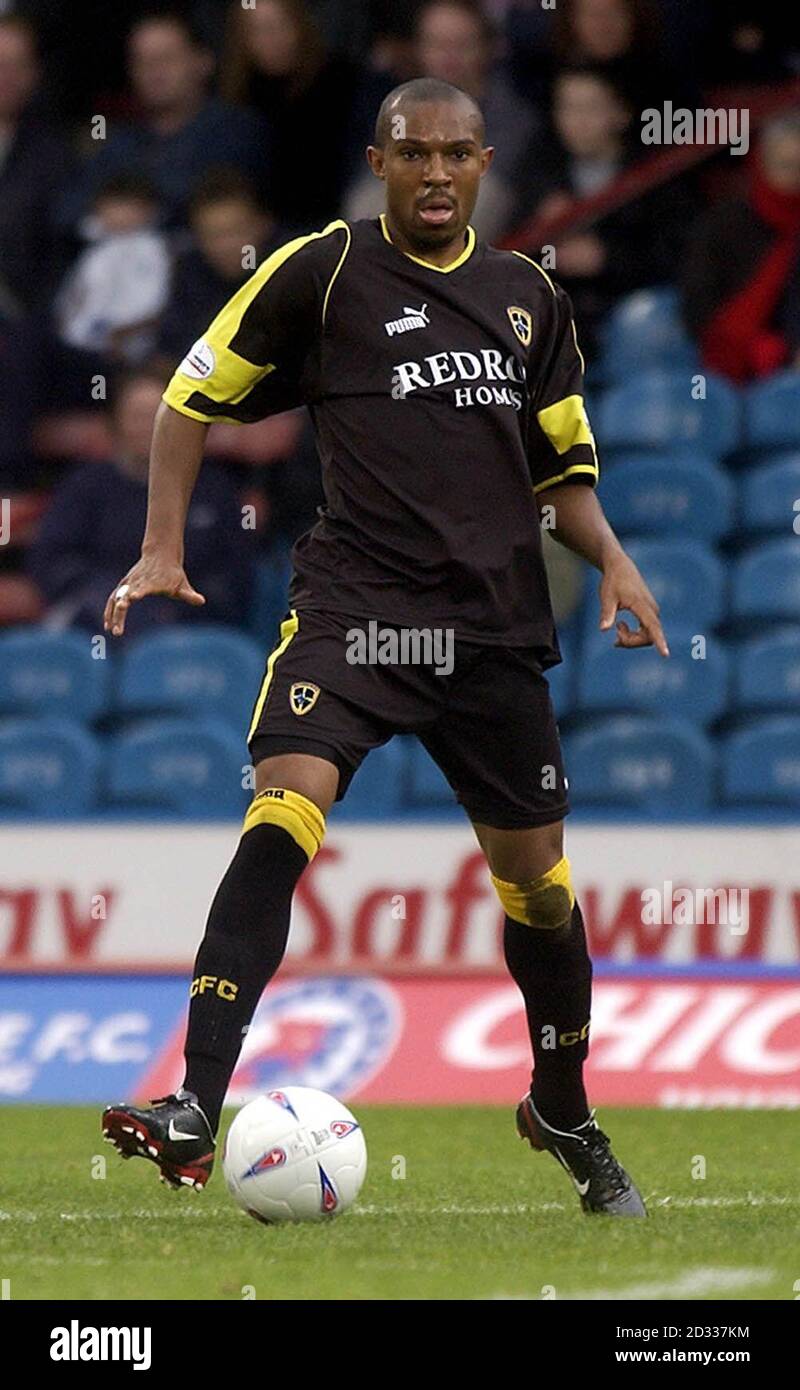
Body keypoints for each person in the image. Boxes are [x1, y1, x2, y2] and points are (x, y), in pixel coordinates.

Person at [100, 78, 668, 1217]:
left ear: (484, 162)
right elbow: (189, 399)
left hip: (494, 632)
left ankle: (559, 1100)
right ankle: (195, 1104)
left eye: (459, 155)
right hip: (355, 613)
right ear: (381, 160)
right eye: (416, 155)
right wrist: (160, 546)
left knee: (538, 890)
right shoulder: (324, 270)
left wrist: (611, 557)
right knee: (280, 811)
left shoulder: (526, 299)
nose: (438, 175)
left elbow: (560, 466)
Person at [27, 368, 253, 634]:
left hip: (188, 629)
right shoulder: (86, 486)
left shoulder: (213, 489)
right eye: (137, 417)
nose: (147, 427)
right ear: (116, 422)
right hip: (95, 623)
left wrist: (175, 611)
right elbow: (51, 559)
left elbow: (235, 574)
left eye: (157, 417)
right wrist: (106, 596)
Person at [56, 9, 269, 236]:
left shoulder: (236, 130)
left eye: (166, 58)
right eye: (142, 61)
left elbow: (219, 203)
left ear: (203, 61)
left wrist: (146, 211)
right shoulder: (120, 140)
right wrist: (102, 213)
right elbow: (65, 209)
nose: (153, 70)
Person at [680, 112, 800, 383]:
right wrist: (757, 348)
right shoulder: (723, 225)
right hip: (728, 360)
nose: (795, 177)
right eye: (785, 165)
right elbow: (699, 303)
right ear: (761, 165)